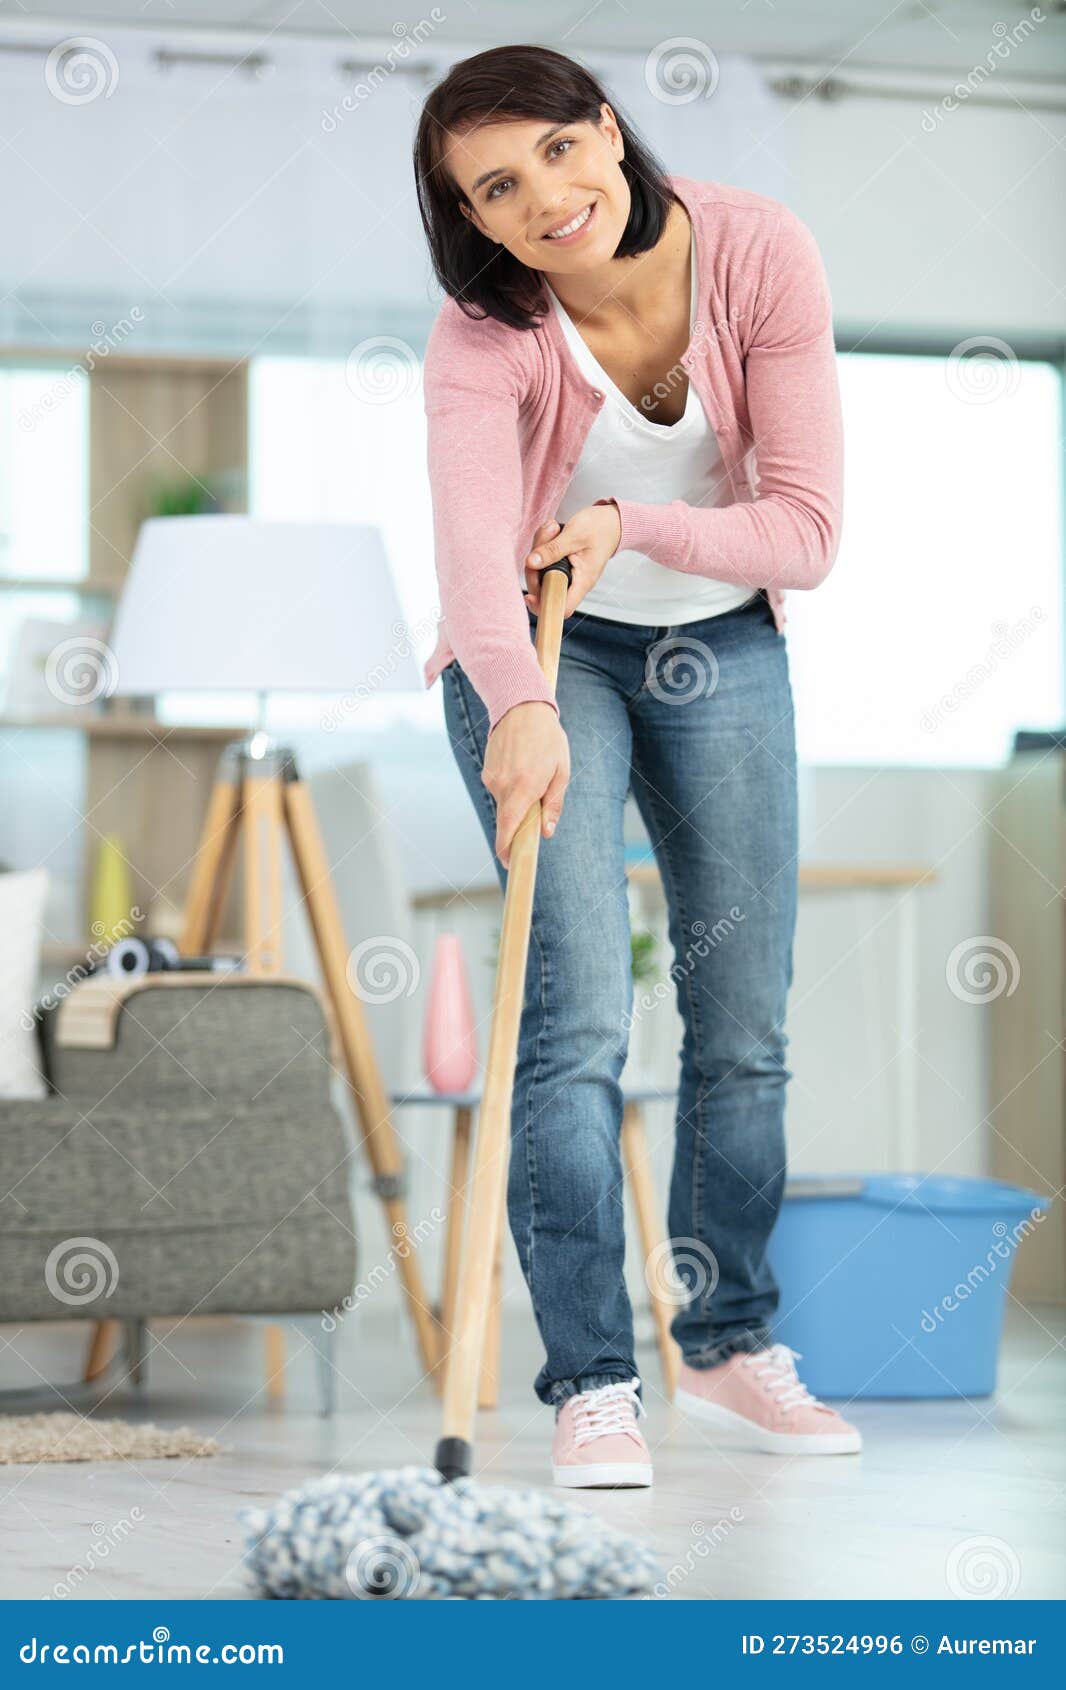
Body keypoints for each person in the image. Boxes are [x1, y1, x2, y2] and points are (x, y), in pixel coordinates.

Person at [414, 43, 860, 1486]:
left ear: (605, 129)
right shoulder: (480, 336)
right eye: (496, 187)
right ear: (472, 221)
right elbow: (478, 551)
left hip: (719, 640)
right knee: (576, 1023)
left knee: (740, 1019)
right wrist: (518, 703)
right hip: (540, 651)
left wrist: (632, 522)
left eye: (554, 150)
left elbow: (802, 530)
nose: (542, 197)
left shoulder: (754, 252)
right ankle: (591, 1380)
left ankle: (725, 1344)